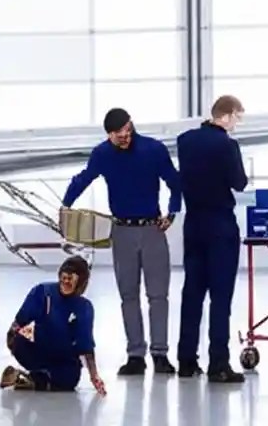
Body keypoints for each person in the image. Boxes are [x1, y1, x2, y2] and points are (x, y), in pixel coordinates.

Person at [61, 107, 182, 376]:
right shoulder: (102, 154)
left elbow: (175, 182)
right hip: (122, 231)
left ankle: (160, 354)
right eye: (119, 135)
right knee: (128, 295)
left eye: (128, 131)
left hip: (152, 229)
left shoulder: (153, 150)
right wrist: (65, 205)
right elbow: (84, 178)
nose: (125, 137)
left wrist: (172, 211)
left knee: (158, 295)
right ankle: (135, 355)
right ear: (109, 136)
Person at [174, 95, 248, 383]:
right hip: (220, 225)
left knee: (192, 294)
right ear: (227, 115)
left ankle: (186, 360)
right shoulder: (227, 145)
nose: (237, 125)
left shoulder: (185, 141)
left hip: (193, 224)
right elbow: (238, 182)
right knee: (220, 297)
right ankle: (218, 362)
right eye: (237, 118)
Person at [0, 256, 107, 396]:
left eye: (70, 279)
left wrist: (94, 375)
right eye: (64, 278)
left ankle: (32, 378)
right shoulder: (43, 293)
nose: (66, 282)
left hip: (59, 359)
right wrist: (14, 339)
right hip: (45, 354)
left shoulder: (82, 307)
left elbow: (85, 345)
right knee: (66, 379)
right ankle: (38, 379)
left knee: (70, 378)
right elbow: (86, 347)